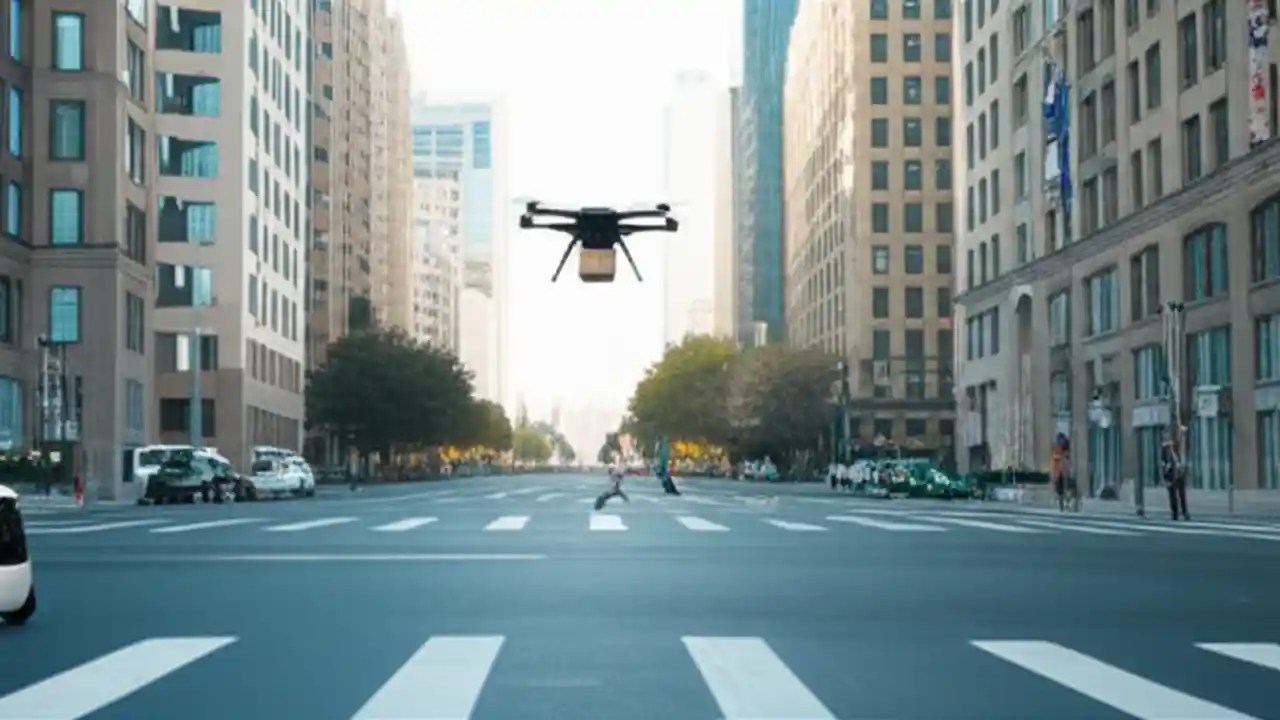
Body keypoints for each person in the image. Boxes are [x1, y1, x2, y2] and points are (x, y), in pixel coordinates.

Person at [1161, 432, 1190, 521]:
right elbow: (1163, 463)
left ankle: (1185, 512)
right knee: (1173, 495)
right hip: (1171, 474)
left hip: (1179, 473)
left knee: (1182, 495)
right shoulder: (1165, 450)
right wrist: (1165, 476)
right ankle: (1175, 513)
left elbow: (1182, 458)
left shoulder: (1178, 448)